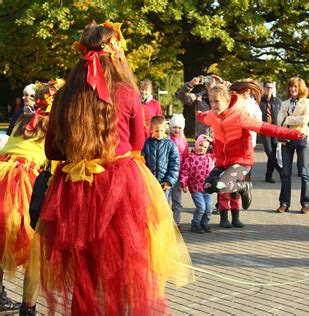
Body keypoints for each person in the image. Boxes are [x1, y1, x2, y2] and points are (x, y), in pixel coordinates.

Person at [28, 22, 193, 315]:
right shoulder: (128, 94)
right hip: (120, 187)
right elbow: (139, 144)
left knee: (84, 270)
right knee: (123, 265)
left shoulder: (64, 96)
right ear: (116, 53)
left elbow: (52, 150)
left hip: (75, 188)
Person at [196, 82, 303, 228]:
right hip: (222, 163)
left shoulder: (240, 116)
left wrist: (294, 134)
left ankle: (244, 187)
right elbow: (203, 117)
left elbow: (268, 128)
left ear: (227, 101)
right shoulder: (212, 116)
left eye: (217, 101)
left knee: (221, 185)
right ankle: (236, 197)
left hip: (241, 161)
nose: (213, 105)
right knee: (208, 187)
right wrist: (198, 114)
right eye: (211, 101)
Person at [0, 82, 53, 313]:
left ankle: (0, 296)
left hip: (2, 173)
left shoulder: (22, 120)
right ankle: (28, 308)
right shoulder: (54, 125)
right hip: (24, 181)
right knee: (35, 247)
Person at [276, 77, 309, 214]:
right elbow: (279, 120)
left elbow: (304, 120)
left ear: (301, 88)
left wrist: (288, 119)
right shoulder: (284, 103)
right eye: (291, 87)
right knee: (285, 173)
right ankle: (284, 203)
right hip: (286, 139)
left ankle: (305, 203)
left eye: (296, 87)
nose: (293, 89)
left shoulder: (307, 102)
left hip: (302, 138)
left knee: (303, 171)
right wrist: (287, 120)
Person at [180, 134, 215, 233]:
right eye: (200, 145)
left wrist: (213, 142)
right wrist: (184, 183)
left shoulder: (210, 157)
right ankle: (195, 225)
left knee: (209, 208)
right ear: (196, 144)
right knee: (201, 208)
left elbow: (218, 151)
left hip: (207, 188)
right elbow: (184, 171)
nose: (202, 148)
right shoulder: (190, 158)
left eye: (205, 147)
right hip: (196, 189)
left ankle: (204, 223)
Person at [230, 79, 262, 181]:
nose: (246, 93)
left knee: (246, 167)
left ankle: (245, 186)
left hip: (248, 140)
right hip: (233, 140)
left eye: (247, 91)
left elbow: (258, 121)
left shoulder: (253, 104)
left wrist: (248, 119)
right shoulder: (232, 101)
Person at [142, 115, 180, 201]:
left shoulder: (170, 145)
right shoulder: (146, 144)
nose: (159, 133)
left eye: (161, 130)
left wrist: (169, 181)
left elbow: (175, 165)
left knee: (163, 208)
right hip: (150, 183)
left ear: (165, 129)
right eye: (156, 131)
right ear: (151, 129)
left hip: (164, 184)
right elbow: (142, 162)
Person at [168, 114, 189, 230]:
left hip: (178, 176)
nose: (177, 130)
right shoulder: (166, 140)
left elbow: (186, 160)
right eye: (174, 127)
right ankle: (165, 224)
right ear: (170, 127)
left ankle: (176, 223)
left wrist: (185, 179)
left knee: (177, 201)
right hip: (168, 175)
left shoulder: (184, 142)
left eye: (179, 128)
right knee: (165, 201)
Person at [259, 80, 282, 183]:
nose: (269, 89)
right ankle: (281, 170)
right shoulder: (259, 101)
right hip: (264, 129)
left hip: (275, 130)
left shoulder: (277, 101)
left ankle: (269, 176)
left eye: (271, 87)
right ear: (264, 88)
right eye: (267, 87)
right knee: (269, 152)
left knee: (272, 152)